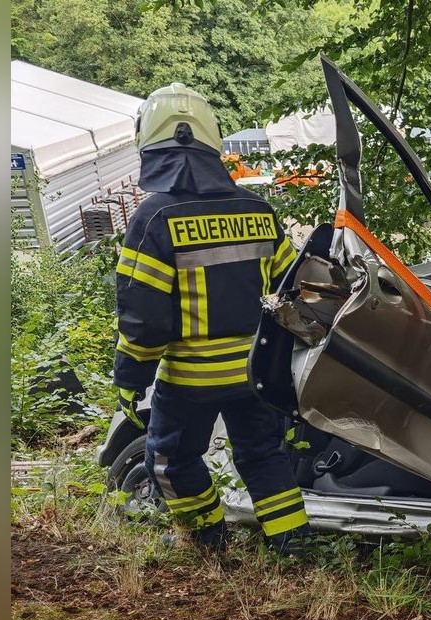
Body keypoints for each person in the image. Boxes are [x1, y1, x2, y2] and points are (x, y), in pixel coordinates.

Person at [113, 83, 309, 556]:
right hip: (256, 371)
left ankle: (207, 540)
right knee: (263, 456)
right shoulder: (258, 211)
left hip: (190, 379)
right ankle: (292, 543)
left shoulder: (154, 218)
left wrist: (130, 377)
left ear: (148, 142)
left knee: (172, 459)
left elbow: (144, 317)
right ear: (212, 140)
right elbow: (293, 286)